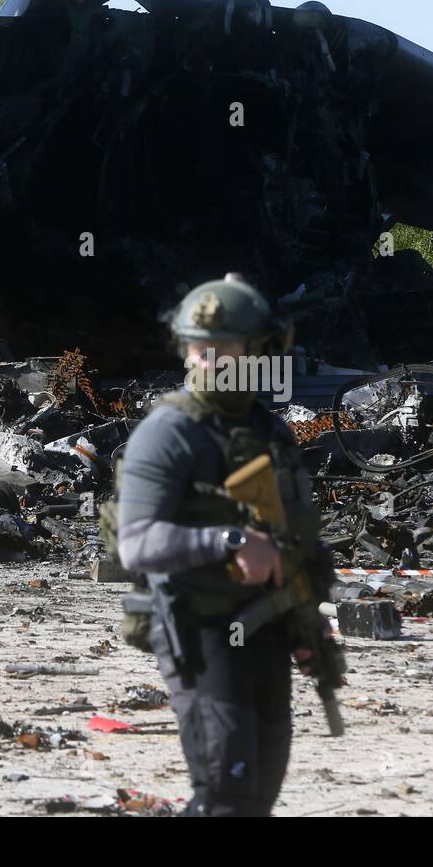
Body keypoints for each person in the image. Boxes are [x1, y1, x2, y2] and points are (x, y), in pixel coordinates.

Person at [115, 273, 327, 816]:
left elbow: (296, 539)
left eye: (223, 349)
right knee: (226, 796)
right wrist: (229, 540)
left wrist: (309, 622)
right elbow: (136, 545)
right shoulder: (168, 432)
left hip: (266, 628)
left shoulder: (270, 432)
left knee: (260, 795)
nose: (208, 361)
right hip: (200, 627)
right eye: (197, 348)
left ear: (258, 351)